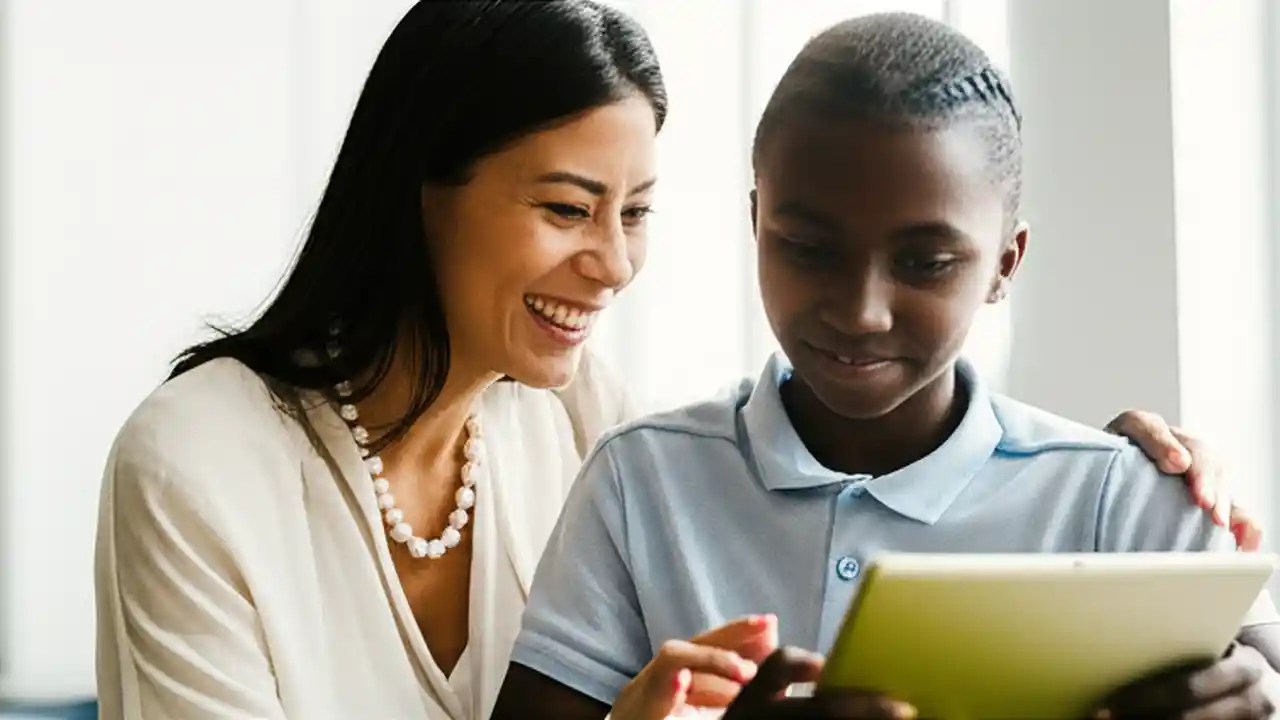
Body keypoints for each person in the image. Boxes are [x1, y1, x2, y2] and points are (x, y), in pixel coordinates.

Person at [93, 3, 1255, 719]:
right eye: (566, 207)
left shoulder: (588, 423)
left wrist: (1108, 478)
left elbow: (816, 433)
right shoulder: (200, 463)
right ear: (417, 194)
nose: (611, 265)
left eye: (636, 213)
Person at [492, 12, 1280, 720]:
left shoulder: (1128, 503)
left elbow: (1260, 681)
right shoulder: (642, 484)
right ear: (757, 220)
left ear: (1005, 264)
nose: (861, 309)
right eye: (810, 249)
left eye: (925, 261)